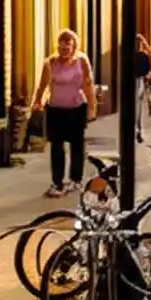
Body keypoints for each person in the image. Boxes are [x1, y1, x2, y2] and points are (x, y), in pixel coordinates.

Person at [31, 29, 97, 198]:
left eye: (68, 46)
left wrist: (91, 106)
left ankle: (75, 179)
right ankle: (57, 181)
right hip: (55, 109)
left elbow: (88, 84)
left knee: (76, 145)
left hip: (76, 108)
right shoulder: (50, 63)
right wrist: (37, 101)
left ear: (74, 46)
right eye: (61, 46)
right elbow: (42, 85)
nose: (64, 49)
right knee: (56, 147)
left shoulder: (81, 61)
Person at [135, 34, 151, 143]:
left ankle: (137, 130)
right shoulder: (142, 56)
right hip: (138, 82)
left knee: (137, 108)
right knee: (138, 108)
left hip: (135, 82)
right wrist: (147, 46)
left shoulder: (139, 56)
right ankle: (138, 131)